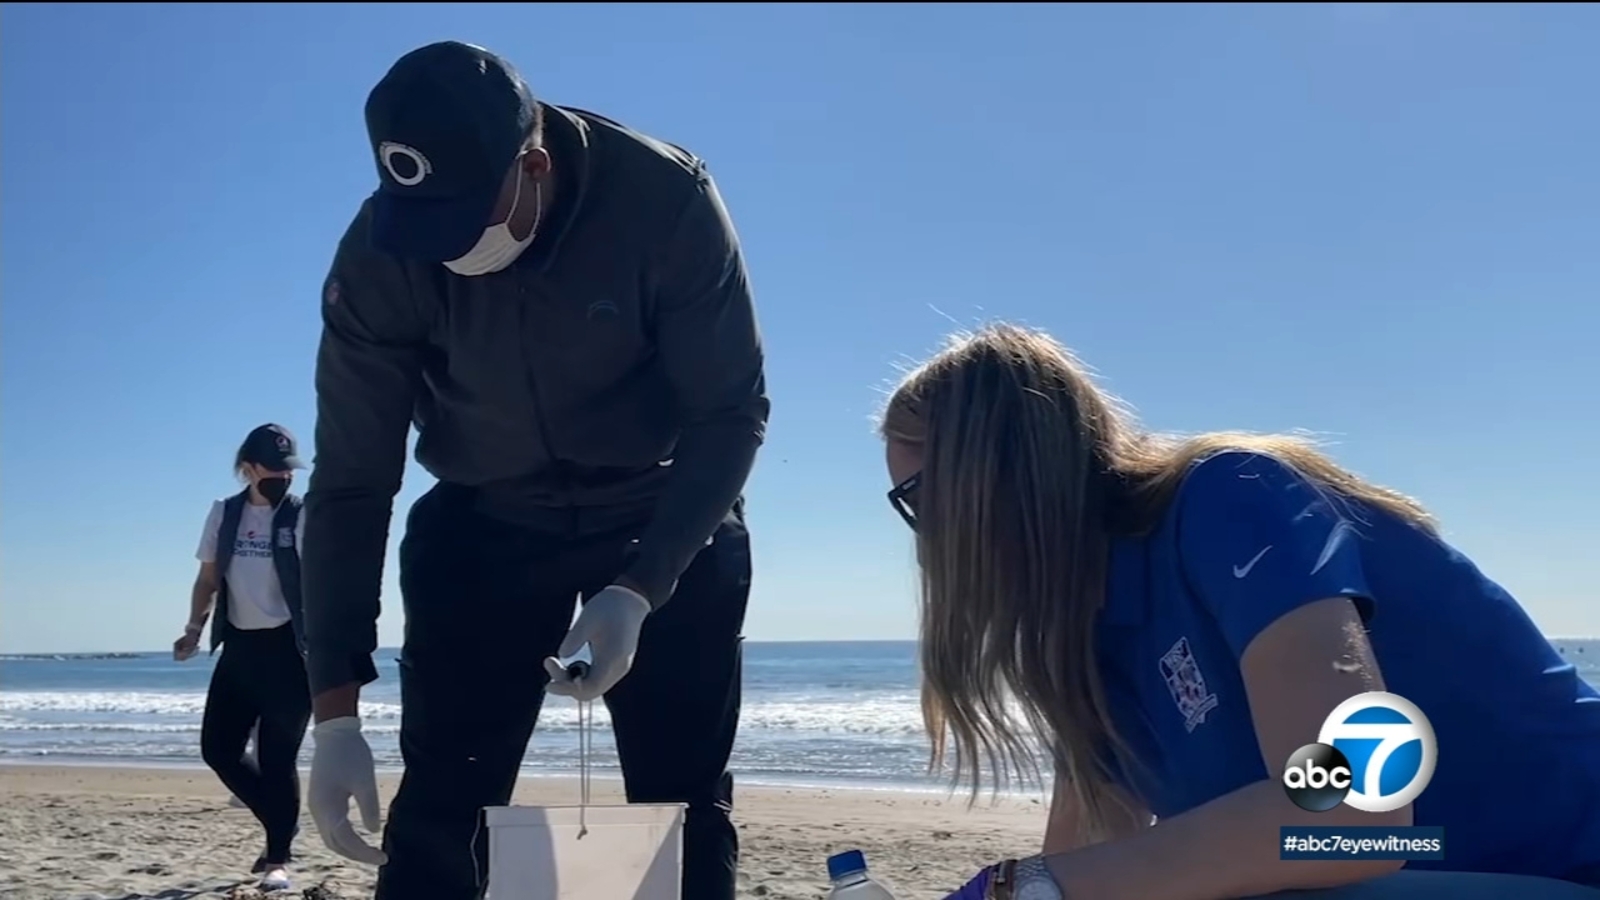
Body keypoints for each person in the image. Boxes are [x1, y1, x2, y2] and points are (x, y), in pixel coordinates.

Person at [875, 324, 1600, 900]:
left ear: (989, 481)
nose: (927, 541)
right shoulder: (1087, 646)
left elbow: (1353, 812)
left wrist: (1024, 890)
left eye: (918, 500)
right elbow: (1092, 864)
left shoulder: (1228, 501)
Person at [300, 40, 768, 900]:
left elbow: (729, 413)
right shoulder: (380, 254)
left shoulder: (666, 200)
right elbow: (351, 482)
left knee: (684, 813)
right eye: (426, 229)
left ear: (535, 163)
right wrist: (333, 715)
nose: (449, 252)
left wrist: (640, 586)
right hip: (485, 520)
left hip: (659, 504)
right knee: (440, 814)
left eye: (466, 221)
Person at [174, 423, 312, 894]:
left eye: (290, 470)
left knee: (278, 759)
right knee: (218, 750)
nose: (285, 478)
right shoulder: (225, 514)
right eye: (275, 469)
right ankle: (283, 824)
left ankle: (278, 859)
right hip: (240, 649)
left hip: (291, 653)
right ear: (249, 470)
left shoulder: (302, 515)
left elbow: (323, 585)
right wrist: (193, 629)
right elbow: (208, 579)